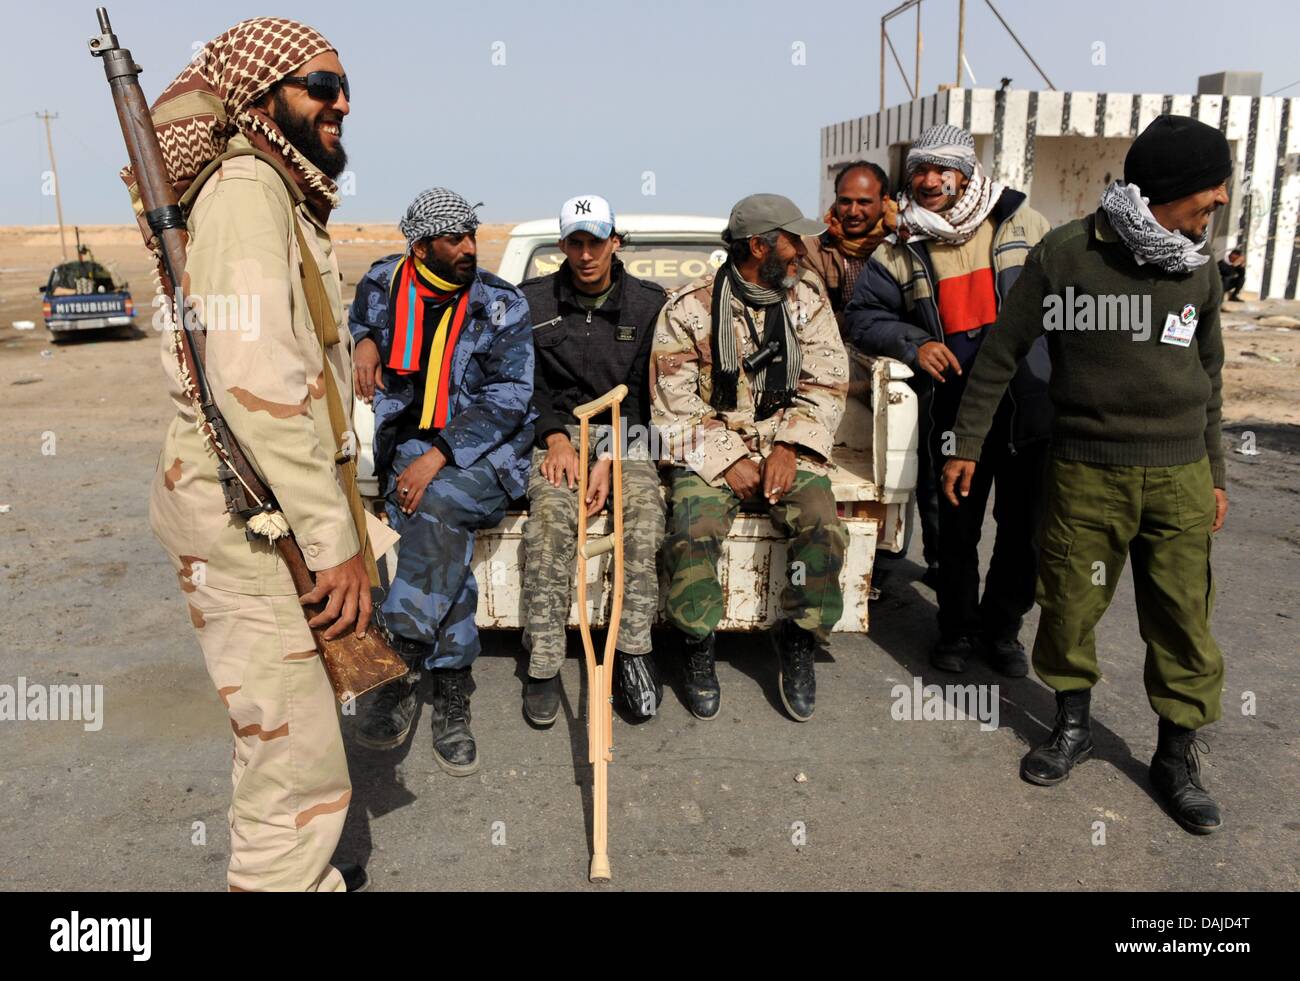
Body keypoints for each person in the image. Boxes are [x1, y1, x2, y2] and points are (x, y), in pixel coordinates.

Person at [942, 114, 1232, 835]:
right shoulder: (1068, 254)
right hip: (1086, 472)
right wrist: (966, 442)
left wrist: (1218, 470)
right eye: (1209, 193)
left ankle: (1174, 755)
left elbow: (1211, 373)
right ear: (1167, 189)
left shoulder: (1198, 264)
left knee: (1184, 620)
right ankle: (1070, 724)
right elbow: (1003, 353)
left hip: (1180, 476)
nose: (1219, 205)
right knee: (1070, 605)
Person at [145, 18, 369, 891]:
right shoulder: (246, 189)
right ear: (263, 94)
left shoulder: (278, 188)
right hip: (250, 519)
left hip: (262, 507)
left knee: (283, 736)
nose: (340, 102)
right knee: (297, 764)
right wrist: (333, 539)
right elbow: (254, 383)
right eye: (320, 85)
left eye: (344, 88)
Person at [845, 124, 1052, 677]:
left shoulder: (1025, 224)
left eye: (943, 169)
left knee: (1023, 531)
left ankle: (1003, 631)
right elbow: (864, 317)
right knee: (954, 530)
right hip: (953, 409)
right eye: (920, 170)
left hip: (1027, 406)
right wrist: (916, 344)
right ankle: (957, 629)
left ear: (966, 173)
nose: (931, 180)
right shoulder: (900, 248)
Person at [349, 188, 535, 776]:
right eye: (454, 239)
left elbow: (510, 399)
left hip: (490, 449)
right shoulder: (384, 282)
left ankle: (402, 655)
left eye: (472, 236)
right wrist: (365, 341)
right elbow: (363, 315)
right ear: (420, 245)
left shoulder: (500, 304)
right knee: (432, 519)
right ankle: (454, 688)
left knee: (435, 501)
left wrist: (440, 452)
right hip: (409, 440)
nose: (468, 249)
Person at [652, 193, 849, 723]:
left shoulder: (806, 299)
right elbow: (673, 408)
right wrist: (729, 459)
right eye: (793, 240)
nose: (804, 251)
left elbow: (827, 382)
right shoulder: (688, 307)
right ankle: (696, 642)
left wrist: (787, 446)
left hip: (788, 441)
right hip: (713, 449)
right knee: (692, 529)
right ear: (759, 246)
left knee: (823, 526)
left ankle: (800, 636)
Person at [517, 195, 667, 725]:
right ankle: (543, 663)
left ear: (614, 242)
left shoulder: (650, 305)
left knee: (644, 521)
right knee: (552, 526)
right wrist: (554, 436)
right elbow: (521, 385)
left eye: (596, 242)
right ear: (562, 245)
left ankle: (632, 652)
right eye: (575, 243)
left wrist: (614, 454)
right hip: (555, 436)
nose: (586, 254)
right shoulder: (531, 302)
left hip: (626, 436)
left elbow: (657, 397)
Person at [801, 160, 897, 332]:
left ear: (884, 201)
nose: (853, 211)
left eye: (864, 202)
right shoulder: (813, 249)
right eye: (845, 202)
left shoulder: (902, 241)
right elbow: (819, 318)